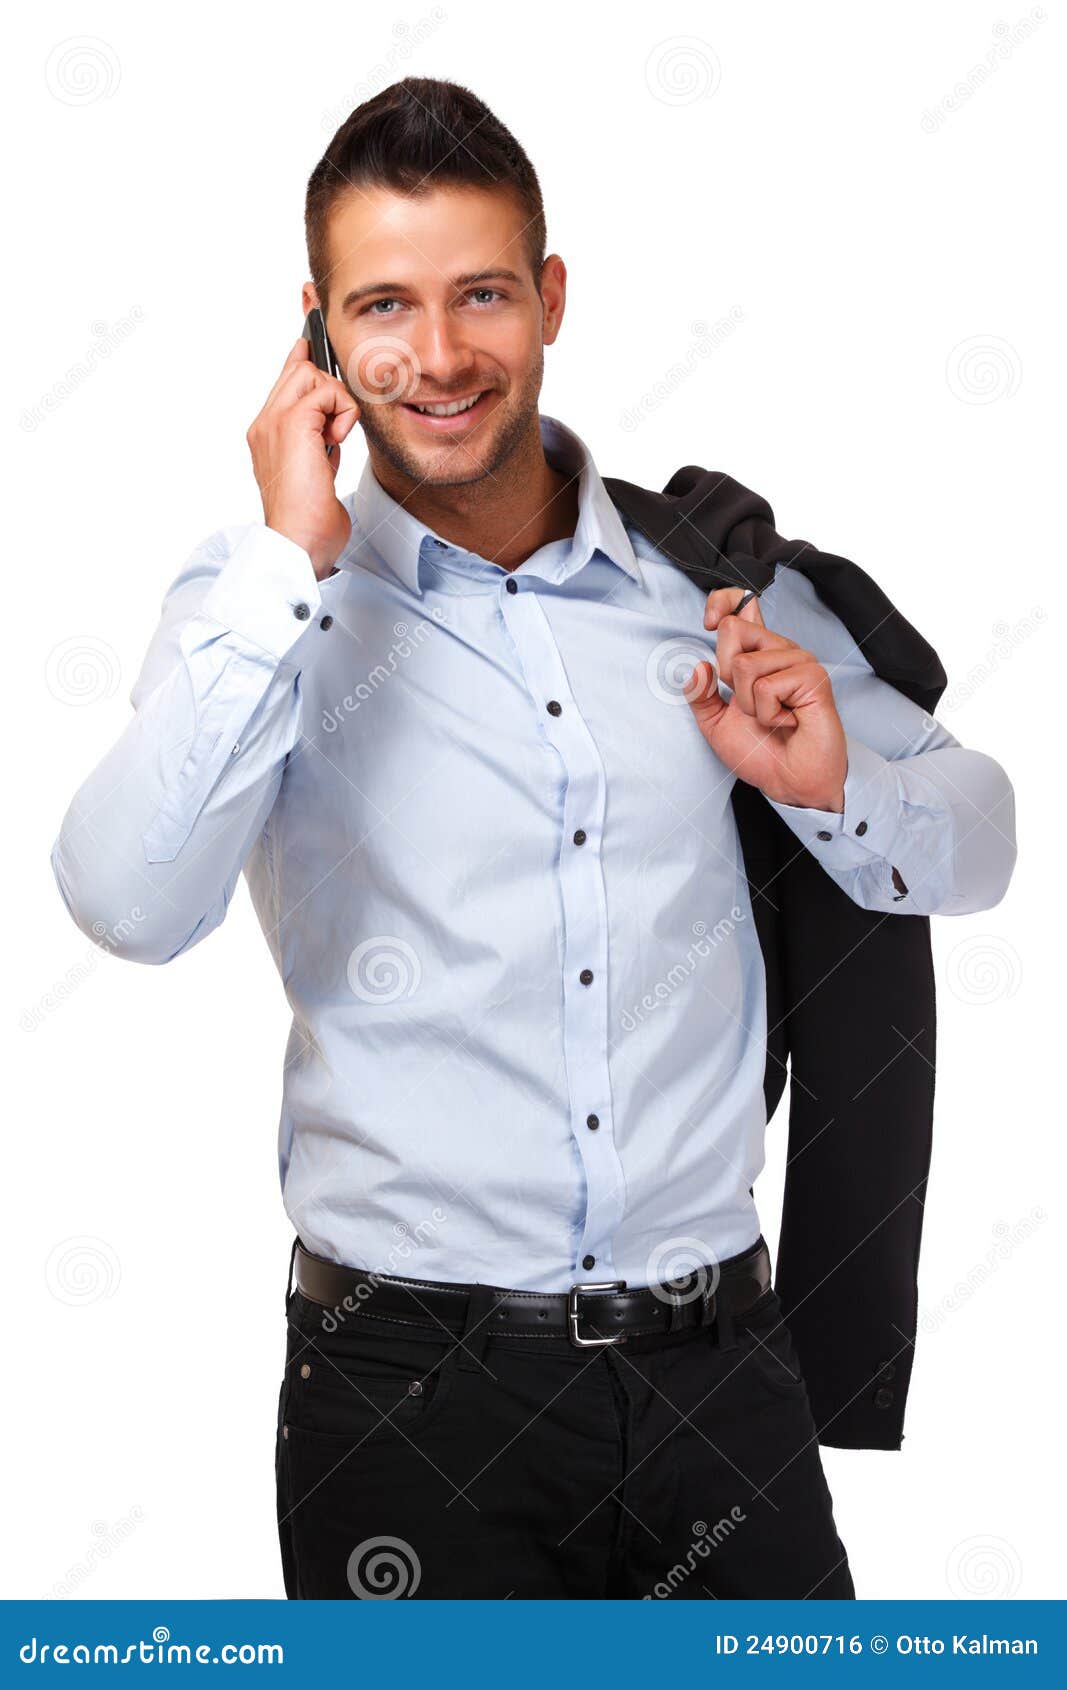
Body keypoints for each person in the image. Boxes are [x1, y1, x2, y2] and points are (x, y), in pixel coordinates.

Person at [50, 77, 1017, 1600]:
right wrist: (283, 567)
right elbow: (121, 899)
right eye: (384, 305)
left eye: (481, 294)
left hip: (721, 1381)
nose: (436, 357)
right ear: (316, 332)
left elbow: (981, 841)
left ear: (549, 298)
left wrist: (835, 784)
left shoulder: (714, 584)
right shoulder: (263, 614)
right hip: (408, 1399)